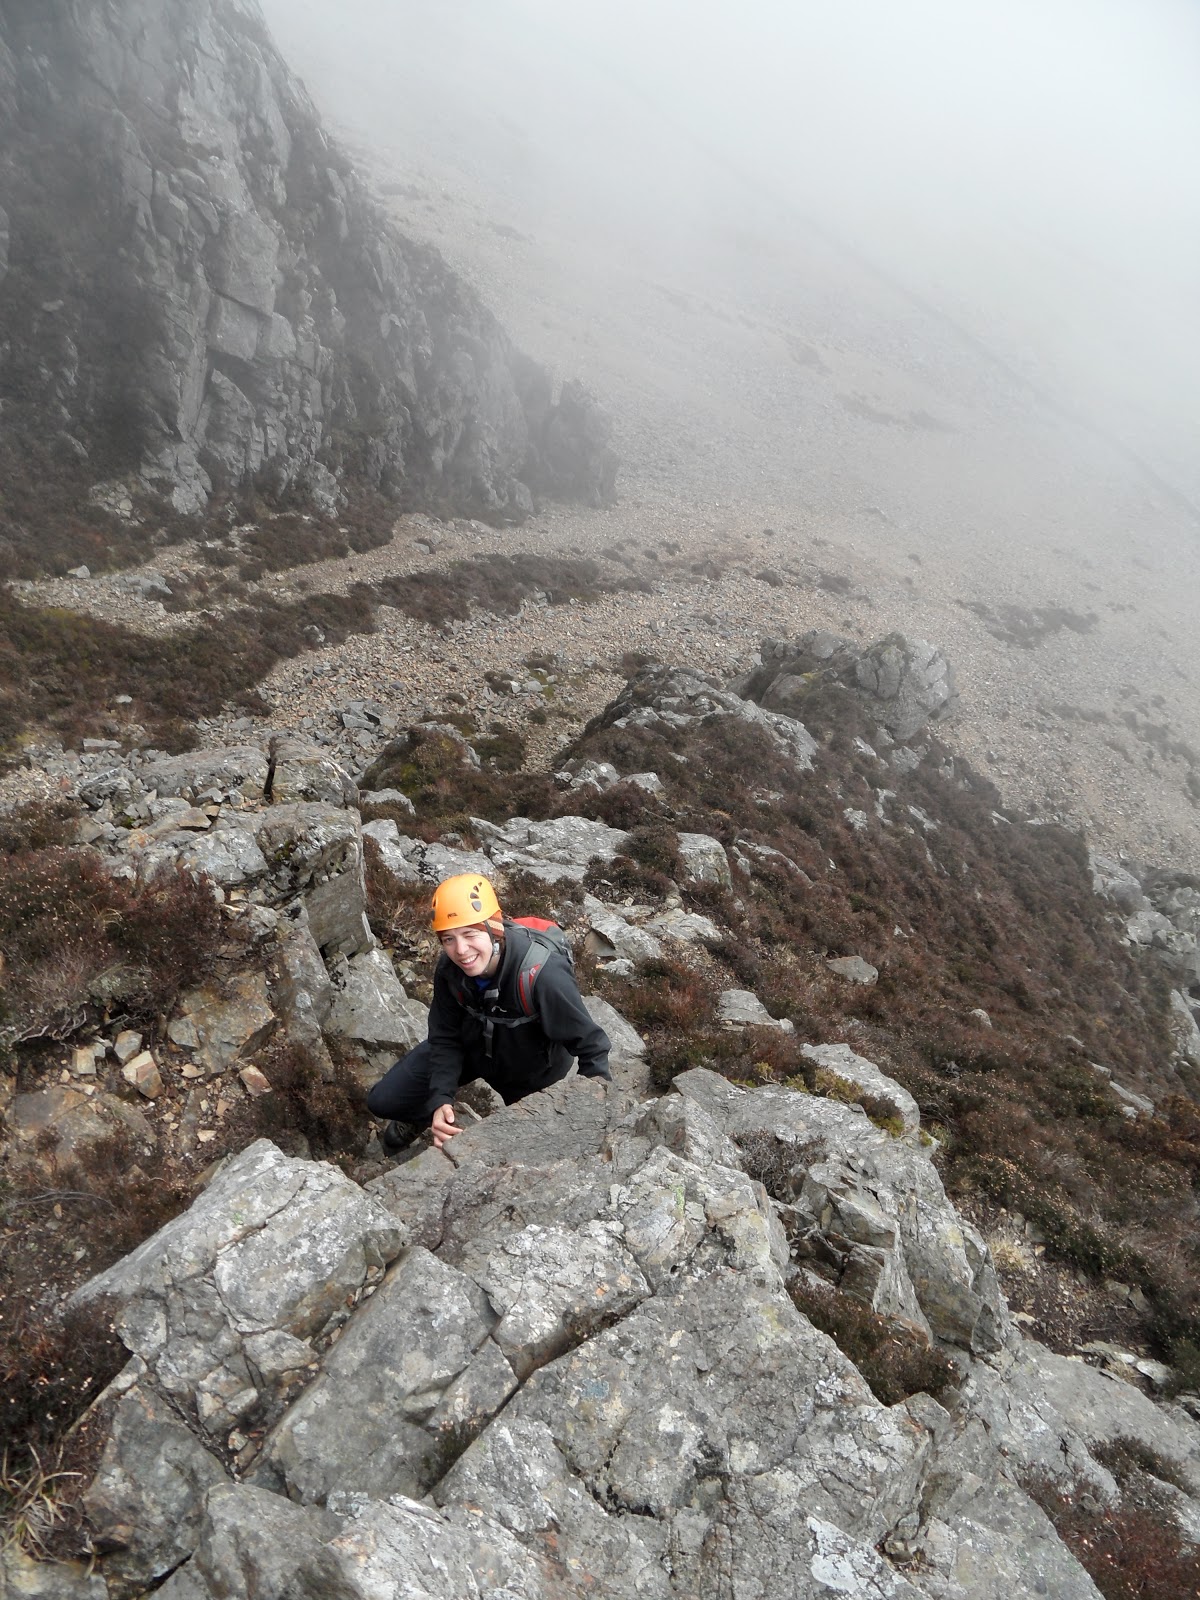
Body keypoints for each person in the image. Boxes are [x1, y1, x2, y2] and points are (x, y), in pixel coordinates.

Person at [367, 872, 612, 1152]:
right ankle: (419, 1116)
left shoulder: (542, 974)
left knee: (531, 1151)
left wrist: (589, 1115)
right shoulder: (450, 969)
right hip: (472, 1048)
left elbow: (593, 1049)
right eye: (448, 939)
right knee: (382, 1101)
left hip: (529, 1068)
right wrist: (440, 1100)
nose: (460, 950)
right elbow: (445, 1037)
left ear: (494, 928)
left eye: (470, 934)